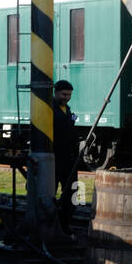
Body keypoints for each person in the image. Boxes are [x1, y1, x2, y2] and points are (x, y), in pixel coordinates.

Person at [53, 80, 79, 235]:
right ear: (56, 92)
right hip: (55, 157)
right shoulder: (49, 109)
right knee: (51, 191)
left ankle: (66, 222)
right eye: (64, 94)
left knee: (74, 191)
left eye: (69, 95)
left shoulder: (67, 110)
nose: (67, 97)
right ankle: (53, 222)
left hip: (69, 158)